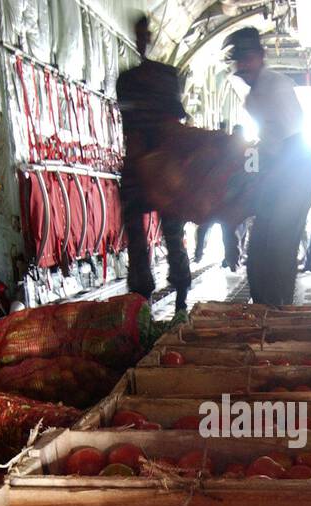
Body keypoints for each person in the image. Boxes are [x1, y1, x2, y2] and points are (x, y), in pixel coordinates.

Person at [224, 27, 311, 305]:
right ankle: (264, 308)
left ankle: (278, 312)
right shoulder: (252, 99)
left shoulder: (276, 86)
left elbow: (292, 141)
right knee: (258, 253)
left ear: (261, 57)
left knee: (278, 249)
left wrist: (263, 174)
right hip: (278, 175)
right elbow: (265, 143)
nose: (244, 65)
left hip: (297, 174)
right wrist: (249, 170)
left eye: (249, 58)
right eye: (240, 60)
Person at [116, 15, 191, 315]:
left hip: (141, 167)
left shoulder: (129, 81)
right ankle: (175, 294)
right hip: (161, 168)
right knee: (170, 233)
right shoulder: (165, 78)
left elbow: (130, 123)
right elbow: (176, 121)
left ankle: (148, 296)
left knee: (145, 236)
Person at [193, 123, 245, 271]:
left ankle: (230, 258)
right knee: (227, 230)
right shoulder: (235, 149)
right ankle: (229, 258)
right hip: (222, 197)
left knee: (226, 230)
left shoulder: (238, 150)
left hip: (225, 197)